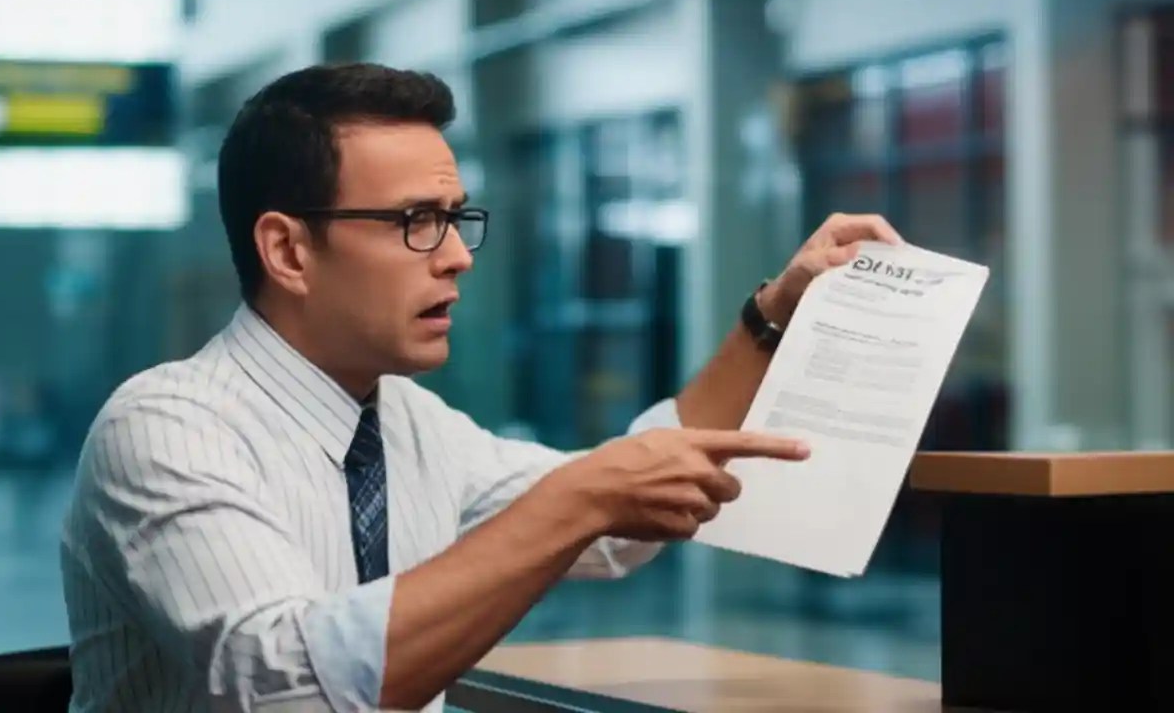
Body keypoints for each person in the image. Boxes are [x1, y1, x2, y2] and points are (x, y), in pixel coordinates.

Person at [59, 62, 903, 712]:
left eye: (457, 218)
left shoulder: (409, 425)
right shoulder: (167, 428)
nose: (459, 255)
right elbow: (292, 685)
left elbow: (612, 529)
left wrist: (769, 318)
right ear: (287, 252)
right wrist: (579, 497)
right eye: (416, 222)